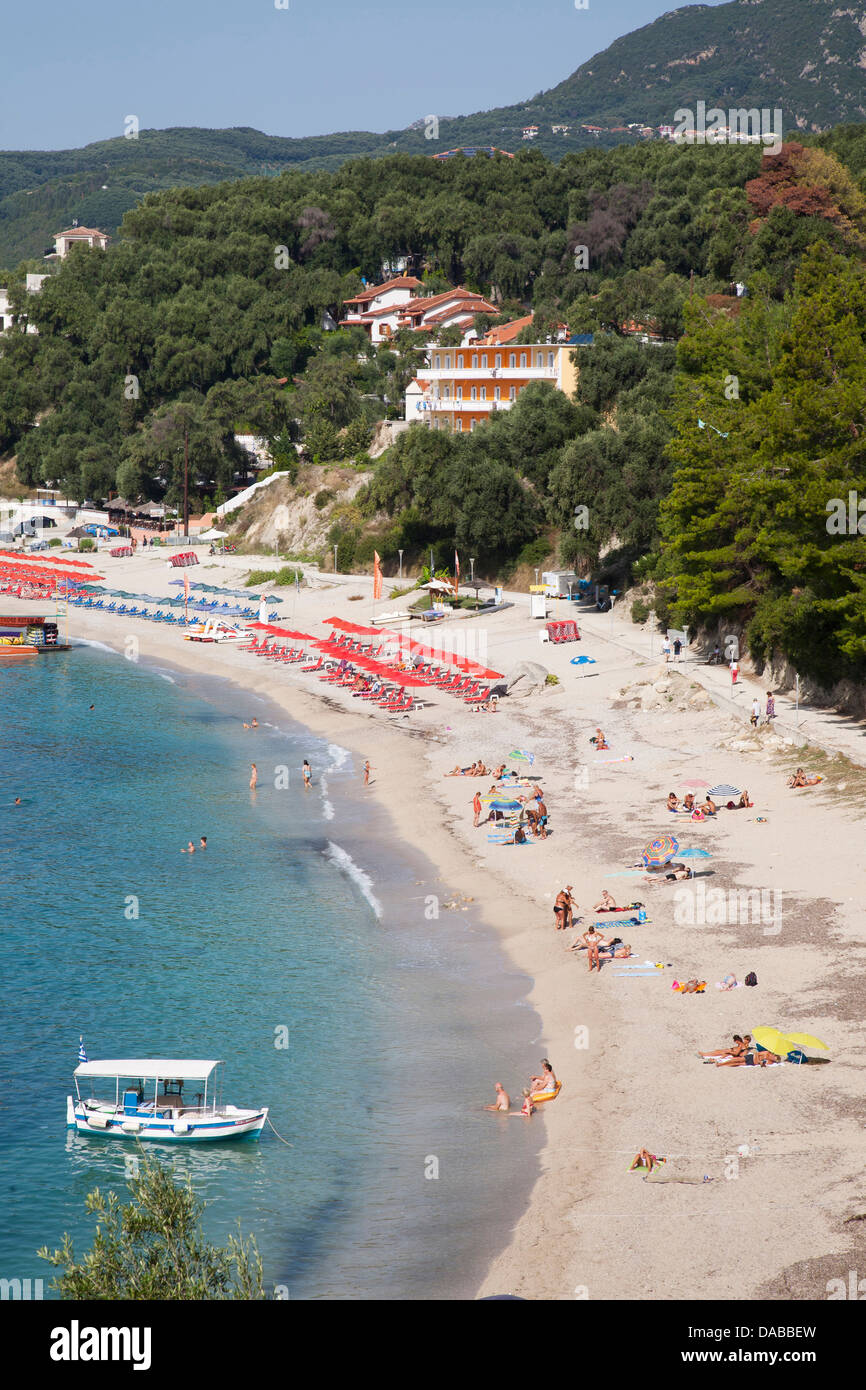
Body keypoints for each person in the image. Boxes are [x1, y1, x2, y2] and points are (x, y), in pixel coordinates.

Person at [716, 1050, 780, 1068]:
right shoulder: (766, 1053)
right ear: (774, 1055)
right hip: (751, 1057)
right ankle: (721, 1064)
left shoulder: (770, 1061)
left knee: (738, 1064)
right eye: (775, 1058)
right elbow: (756, 1053)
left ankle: (723, 1065)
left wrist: (763, 1064)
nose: (774, 1060)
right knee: (737, 1060)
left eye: (775, 1060)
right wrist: (758, 1061)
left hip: (752, 1063)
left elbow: (766, 1064)